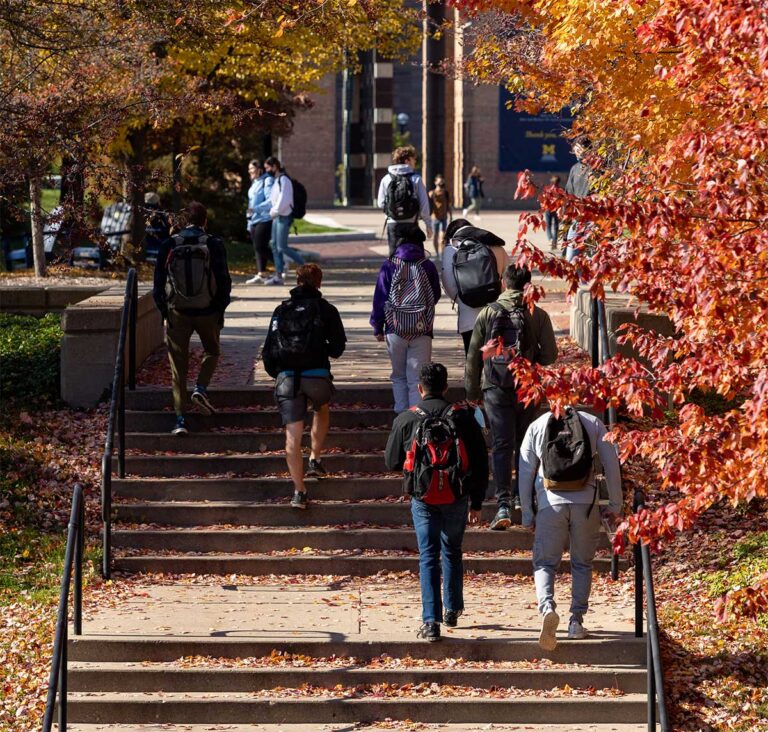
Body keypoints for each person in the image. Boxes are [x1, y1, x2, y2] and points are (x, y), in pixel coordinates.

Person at [384, 362, 489, 641]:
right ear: (446, 387)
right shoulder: (463, 418)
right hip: (457, 494)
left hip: (423, 497)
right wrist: (477, 502)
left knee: (428, 556)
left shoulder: (408, 419)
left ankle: (430, 622)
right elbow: (480, 462)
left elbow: (391, 460)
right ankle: (452, 609)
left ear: (420, 388)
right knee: (452, 550)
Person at [518, 408, 623, 650]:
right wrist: (615, 505)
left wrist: (526, 512)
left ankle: (547, 608)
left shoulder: (538, 423)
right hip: (586, 503)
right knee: (582, 563)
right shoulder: (592, 422)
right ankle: (576, 621)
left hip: (549, 502)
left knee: (544, 563)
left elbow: (525, 469)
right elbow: (611, 463)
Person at [465, 265, 557, 529]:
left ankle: (503, 502)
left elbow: (473, 357)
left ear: (503, 283)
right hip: (527, 388)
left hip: (495, 388)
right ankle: (523, 496)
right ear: (527, 285)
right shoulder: (537, 315)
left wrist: (472, 393)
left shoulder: (488, 312)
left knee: (502, 444)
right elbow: (550, 355)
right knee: (526, 442)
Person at [262, 263, 347, 509]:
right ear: (319, 282)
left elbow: (269, 348)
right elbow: (338, 348)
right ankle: (315, 457)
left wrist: (276, 373)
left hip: (288, 379)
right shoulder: (326, 309)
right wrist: (321, 349)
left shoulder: (281, 310)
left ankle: (299, 491)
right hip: (317, 376)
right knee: (322, 408)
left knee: (292, 436)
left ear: (297, 281)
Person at [153, 201, 232, 435]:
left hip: (178, 313)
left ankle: (180, 420)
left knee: (178, 368)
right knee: (213, 351)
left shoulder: (168, 244)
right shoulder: (214, 244)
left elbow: (157, 285)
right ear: (204, 221)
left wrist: (165, 311)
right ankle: (200, 387)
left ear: (182, 221)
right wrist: (219, 310)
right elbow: (224, 282)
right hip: (207, 311)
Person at [370, 223, 441, 413]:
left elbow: (380, 298)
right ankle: (417, 418)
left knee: (399, 376)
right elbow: (435, 295)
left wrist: (377, 326)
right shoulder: (427, 265)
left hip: (395, 329)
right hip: (422, 329)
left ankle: (402, 418)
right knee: (417, 378)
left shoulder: (389, 265)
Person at [441, 219, 509, 356]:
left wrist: (462, 299)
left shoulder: (451, 249)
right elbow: (508, 278)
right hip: (494, 313)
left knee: (473, 364)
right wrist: (495, 296)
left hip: (468, 317)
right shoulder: (496, 246)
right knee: (494, 361)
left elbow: (447, 282)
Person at [377, 145, 432, 255]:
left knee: (394, 259)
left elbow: (381, 203)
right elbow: (424, 205)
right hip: (412, 224)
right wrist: (428, 225)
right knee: (417, 258)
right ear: (407, 160)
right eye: (414, 159)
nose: (415, 162)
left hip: (393, 225)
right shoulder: (416, 179)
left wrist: (395, 211)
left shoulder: (386, 179)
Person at [265, 155, 305, 286]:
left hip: (284, 216)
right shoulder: (277, 180)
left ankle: (305, 267)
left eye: (268, 167)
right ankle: (278, 275)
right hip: (277, 216)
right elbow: (274, 199)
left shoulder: (284, 180)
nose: (267, 170)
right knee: (275, 246)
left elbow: (285, 199)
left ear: (275, 166)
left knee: (282, 246)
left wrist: (274, 211)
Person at [245, 159, 274, 284]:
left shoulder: (267, 181)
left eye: (252, 168)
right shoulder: (254, 182)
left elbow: (270, 201)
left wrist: (255, 209)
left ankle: (282, 263)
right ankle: (261, 273)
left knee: (260, 246)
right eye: (249, 169)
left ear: (259, 169)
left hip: (265, 218)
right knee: (257, 248)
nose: (250, 171)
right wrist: (249, 221)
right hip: (254, 220)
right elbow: (251, 203)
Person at [564, 138, 593, 261]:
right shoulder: (574, 169)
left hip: (594, 220)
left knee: (592, 258)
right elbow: (568, 193)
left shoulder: (597, 168)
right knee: (571, 259)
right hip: (577, 219)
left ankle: (590, 280)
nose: (576, 152)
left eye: (578, 148)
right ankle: (583, 281)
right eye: (575, 149)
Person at [428, 174, 451, 258]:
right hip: (434, 218)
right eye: (439, 182)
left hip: (444, 218)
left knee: (442, 237)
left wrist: (450, 215)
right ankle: (437, 253)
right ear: (435, 183)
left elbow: (448, 205)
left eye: (442, 182)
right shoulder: (431, 193)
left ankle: (442, 254)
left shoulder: (446, 193)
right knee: (435, 237)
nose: (441, 183)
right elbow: (428, 205)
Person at [143, 192, 170, 262]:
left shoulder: (141, 213)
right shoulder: (160, 213)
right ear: (157, 202)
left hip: (145, 249)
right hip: (159, 249)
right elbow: (167, 229)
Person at [543, 175, 562, 249]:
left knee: (548, 225)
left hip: (548, 209)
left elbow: (544, 200)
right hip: (557, 209)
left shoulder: (548, 189)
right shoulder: (561, 190)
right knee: (556, 226)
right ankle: (554, 241)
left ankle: (550, 238)